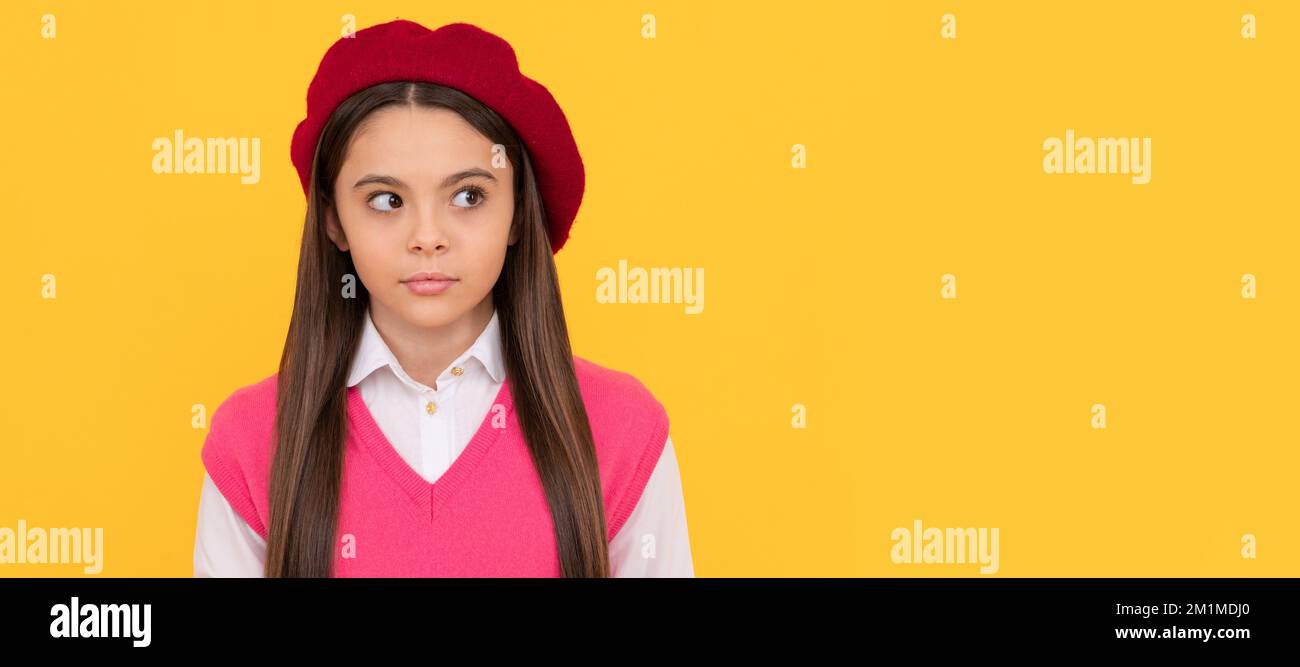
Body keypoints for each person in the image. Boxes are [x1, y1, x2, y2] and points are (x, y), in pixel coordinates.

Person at [193, 19, 693, 577]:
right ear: (334, 219)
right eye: (386, 200)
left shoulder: (622, 430)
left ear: (516, 213)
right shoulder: (251, 439)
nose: (427, 235)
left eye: (468, 195)